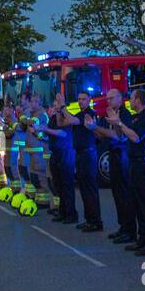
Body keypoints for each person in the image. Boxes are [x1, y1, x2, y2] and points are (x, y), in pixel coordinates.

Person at [111, 87, 145, 255]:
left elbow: (136, 137)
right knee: (137, 204)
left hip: (143, 166)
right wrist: (117, 124)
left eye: (131, 98)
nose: (129, 100)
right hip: (133, 165)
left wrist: (119, 123)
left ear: (139, 100)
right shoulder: (134, 118)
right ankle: (142, 240)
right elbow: (122, 137)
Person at [94, 89, 137, 244]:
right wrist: (94, 128)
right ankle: (123, 227)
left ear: (120, 98)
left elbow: (118, 136)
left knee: (125, 194)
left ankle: (130, 230)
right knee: (117, 193)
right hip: (112, 154)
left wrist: (96, 128)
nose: (108, 101)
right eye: (107, 98)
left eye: (111, 98)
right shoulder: (109, 114)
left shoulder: (124, 115)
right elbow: (102, 134)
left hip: (122, 156)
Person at [70, 91, 104, 232]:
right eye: (79, 99)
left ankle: (96, 221)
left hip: (88, 154)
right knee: (84, 188)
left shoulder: (88, 114)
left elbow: (71, 121)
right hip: (81, 154)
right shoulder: (80, 113)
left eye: (83, 99)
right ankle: (89, 219)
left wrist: (61, 108)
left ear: (89, 100)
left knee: (90, 189)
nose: (80, 101)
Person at [45, 94, 77, 223]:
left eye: (56, 104)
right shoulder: (54, 118)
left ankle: (71, 214)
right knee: (58, 184)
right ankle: (62, 212)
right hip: (56, 153)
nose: (54, 107)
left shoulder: (67, 115)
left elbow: (62, 133)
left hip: (65, 153)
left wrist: (45, 129)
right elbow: (55, 127)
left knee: (67, 185)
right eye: (54, 105)